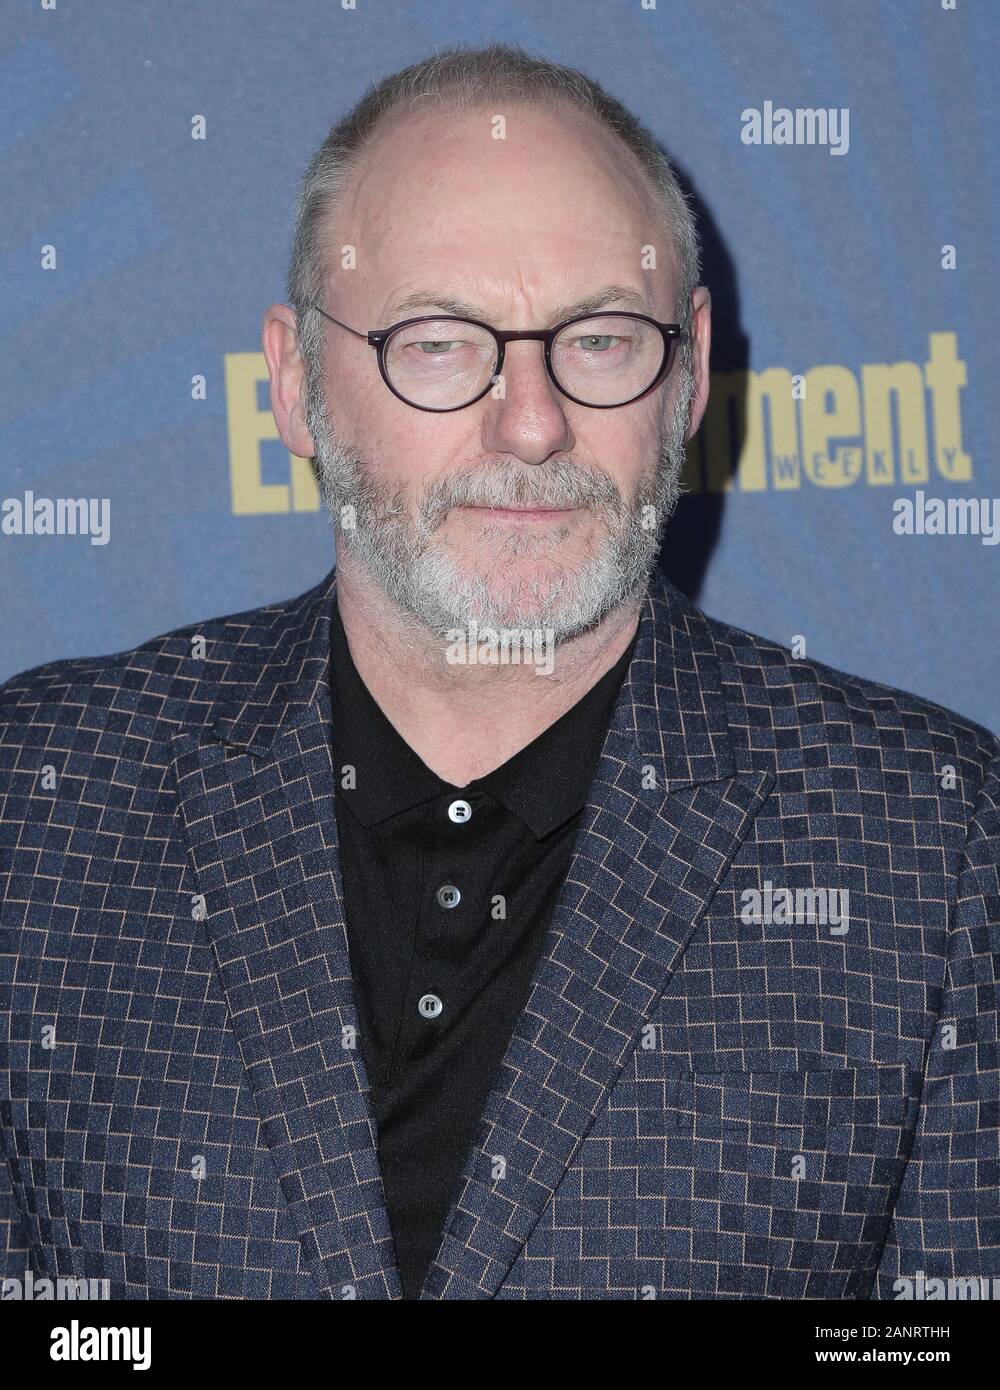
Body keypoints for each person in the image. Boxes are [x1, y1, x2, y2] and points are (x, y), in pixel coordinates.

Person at [1, 42, 997, 1302]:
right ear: (298, 383)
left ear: (686, 373)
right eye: (436, 342)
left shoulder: (935, 843)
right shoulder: (37, 807)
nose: (529, 423)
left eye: (595, 338)